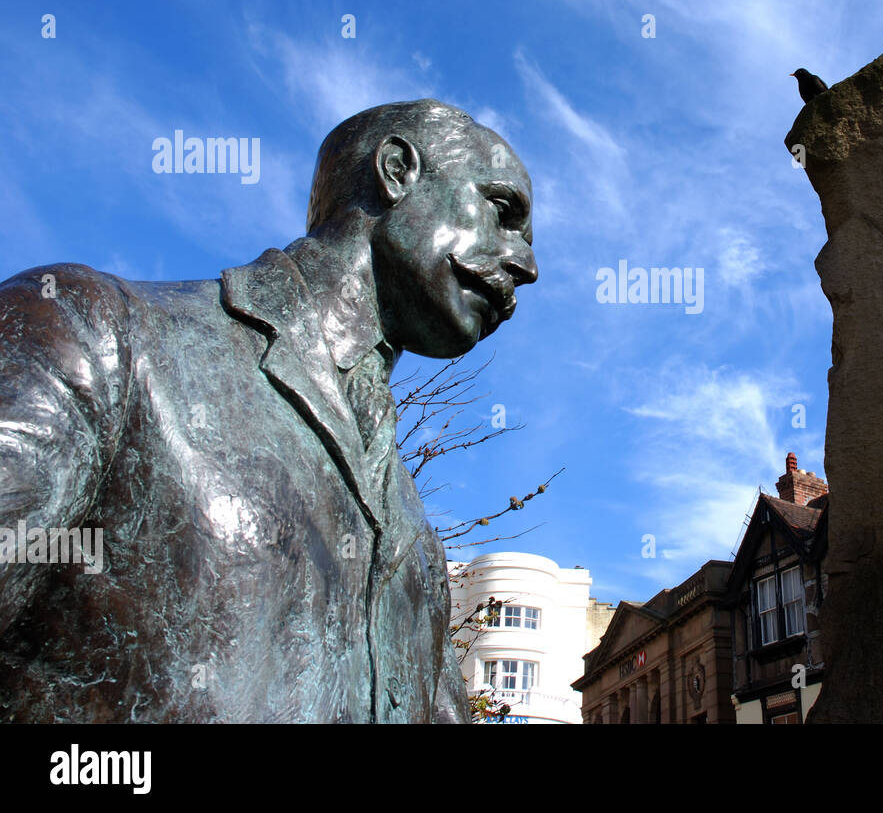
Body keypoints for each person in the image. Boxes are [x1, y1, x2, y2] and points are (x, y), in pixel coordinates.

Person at [0, 99, 537, 722]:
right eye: (502, 213)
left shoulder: (418, 548)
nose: (526, 266)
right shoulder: (92, 332)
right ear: (397, 171)